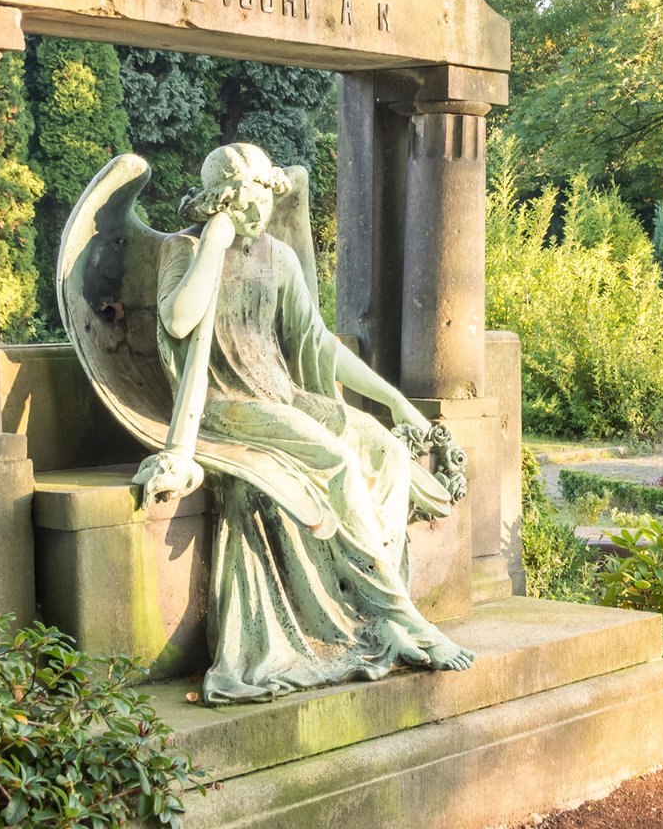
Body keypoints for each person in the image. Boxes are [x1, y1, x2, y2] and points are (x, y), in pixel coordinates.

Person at [140, 143, 472, 703]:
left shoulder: (279, 258)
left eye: (265, 200)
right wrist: (214, 246)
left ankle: (379, 612)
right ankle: (406, 617)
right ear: (219, 203)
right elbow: (177, 320)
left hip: (282, 397)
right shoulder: (185, 248)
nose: (257, 214)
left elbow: (316, 344)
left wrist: (395, 401)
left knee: (388, 452)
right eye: (243, 202)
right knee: (336, 460)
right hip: (225, 406)